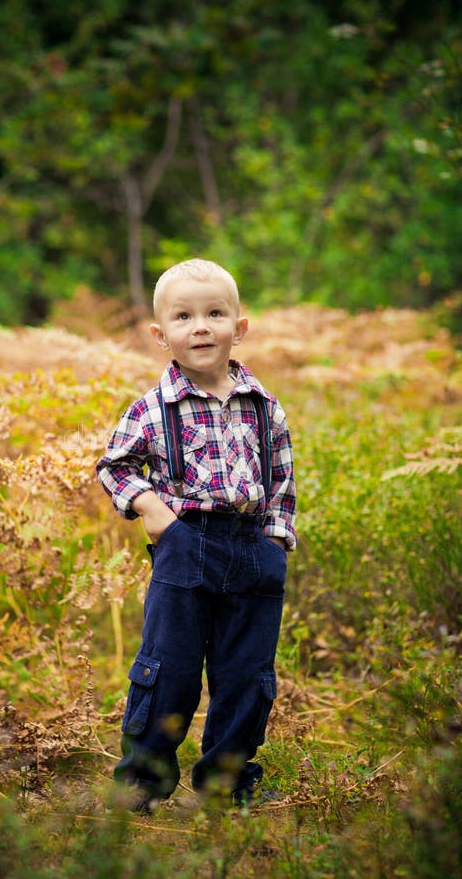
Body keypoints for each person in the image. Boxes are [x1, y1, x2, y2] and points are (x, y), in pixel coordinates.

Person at [96, 258, 296, 812]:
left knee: (246, 675)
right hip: (186, 544)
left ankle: (227, 783)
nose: (201, 326)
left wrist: (275, 543)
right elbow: (115, 467)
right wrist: (155, 514)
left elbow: (281, 478)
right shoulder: (153, 409)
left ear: (240, 326)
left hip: (252, 548)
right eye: (184, 317)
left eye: (215, 313)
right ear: (162, 336)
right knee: (169, 671)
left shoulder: (265, 408)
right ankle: (142, 780)